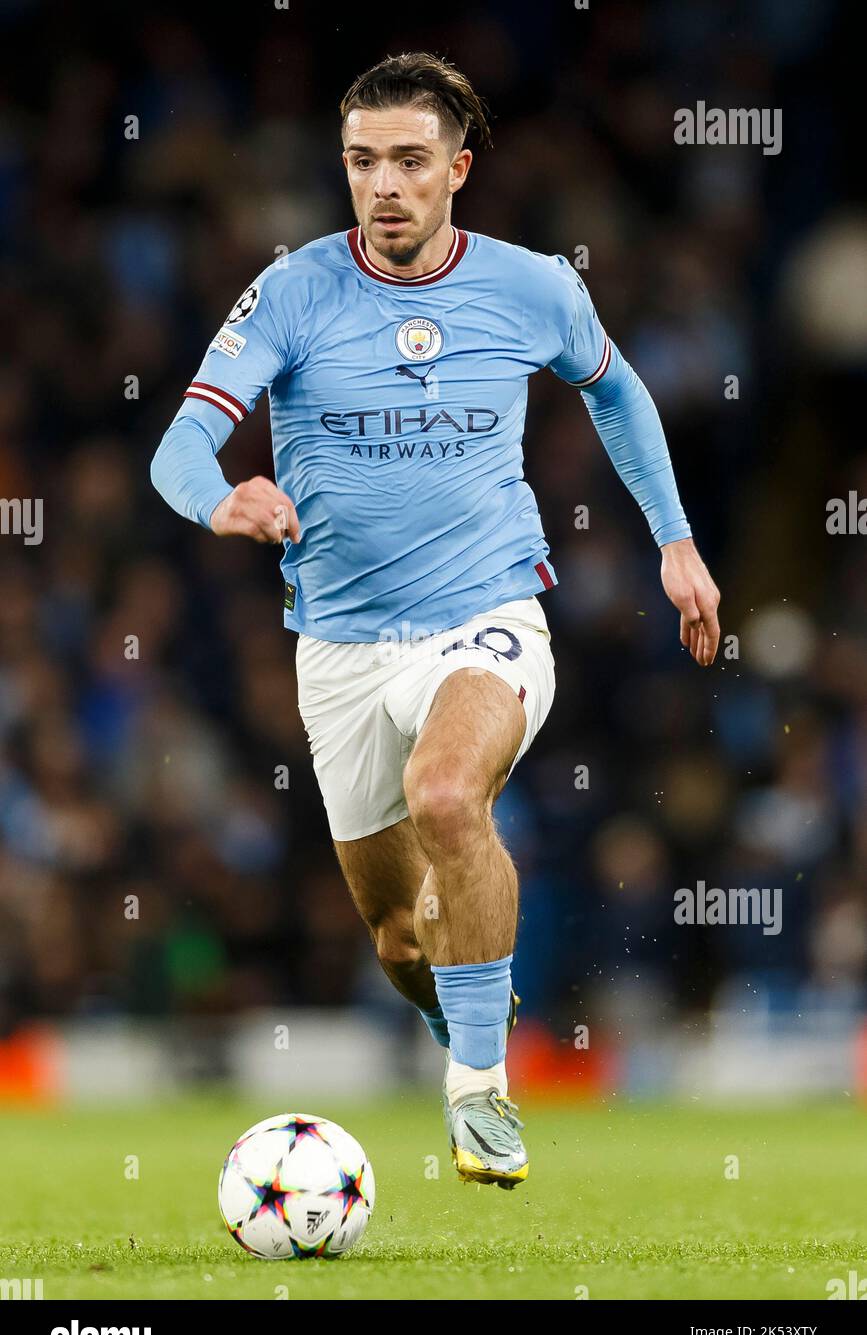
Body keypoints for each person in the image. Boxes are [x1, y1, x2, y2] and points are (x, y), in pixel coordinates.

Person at [151, 51, 721, 1188]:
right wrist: (221, 498)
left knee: (449, 796)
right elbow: (177, 443)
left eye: (411, 161)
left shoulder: (533, 286)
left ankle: (479, 1091)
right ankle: (461, 1000)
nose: (385, 186)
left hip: (490, 612)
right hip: (343, 648)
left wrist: (674, 539)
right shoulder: (294, 292)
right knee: (401, 940)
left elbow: (615, 387)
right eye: (363, 162)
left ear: (458, 169)